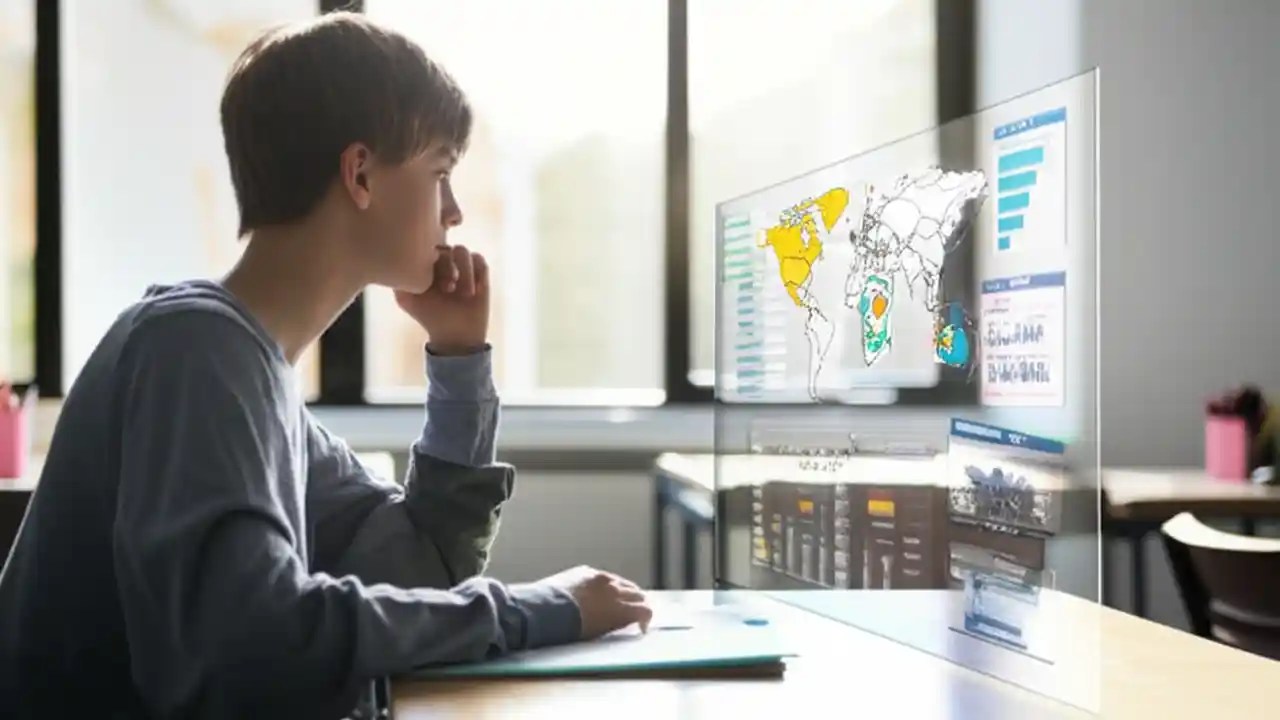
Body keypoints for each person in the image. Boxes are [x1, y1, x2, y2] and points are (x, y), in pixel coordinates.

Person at [0, 11, 651, 718]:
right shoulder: (195, 354)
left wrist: (460, 363)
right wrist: (537, 610)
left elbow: (426, 565)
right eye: (440, 173)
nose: (454, 211)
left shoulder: (251, 368)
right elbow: (250, 650)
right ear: (361, 174)